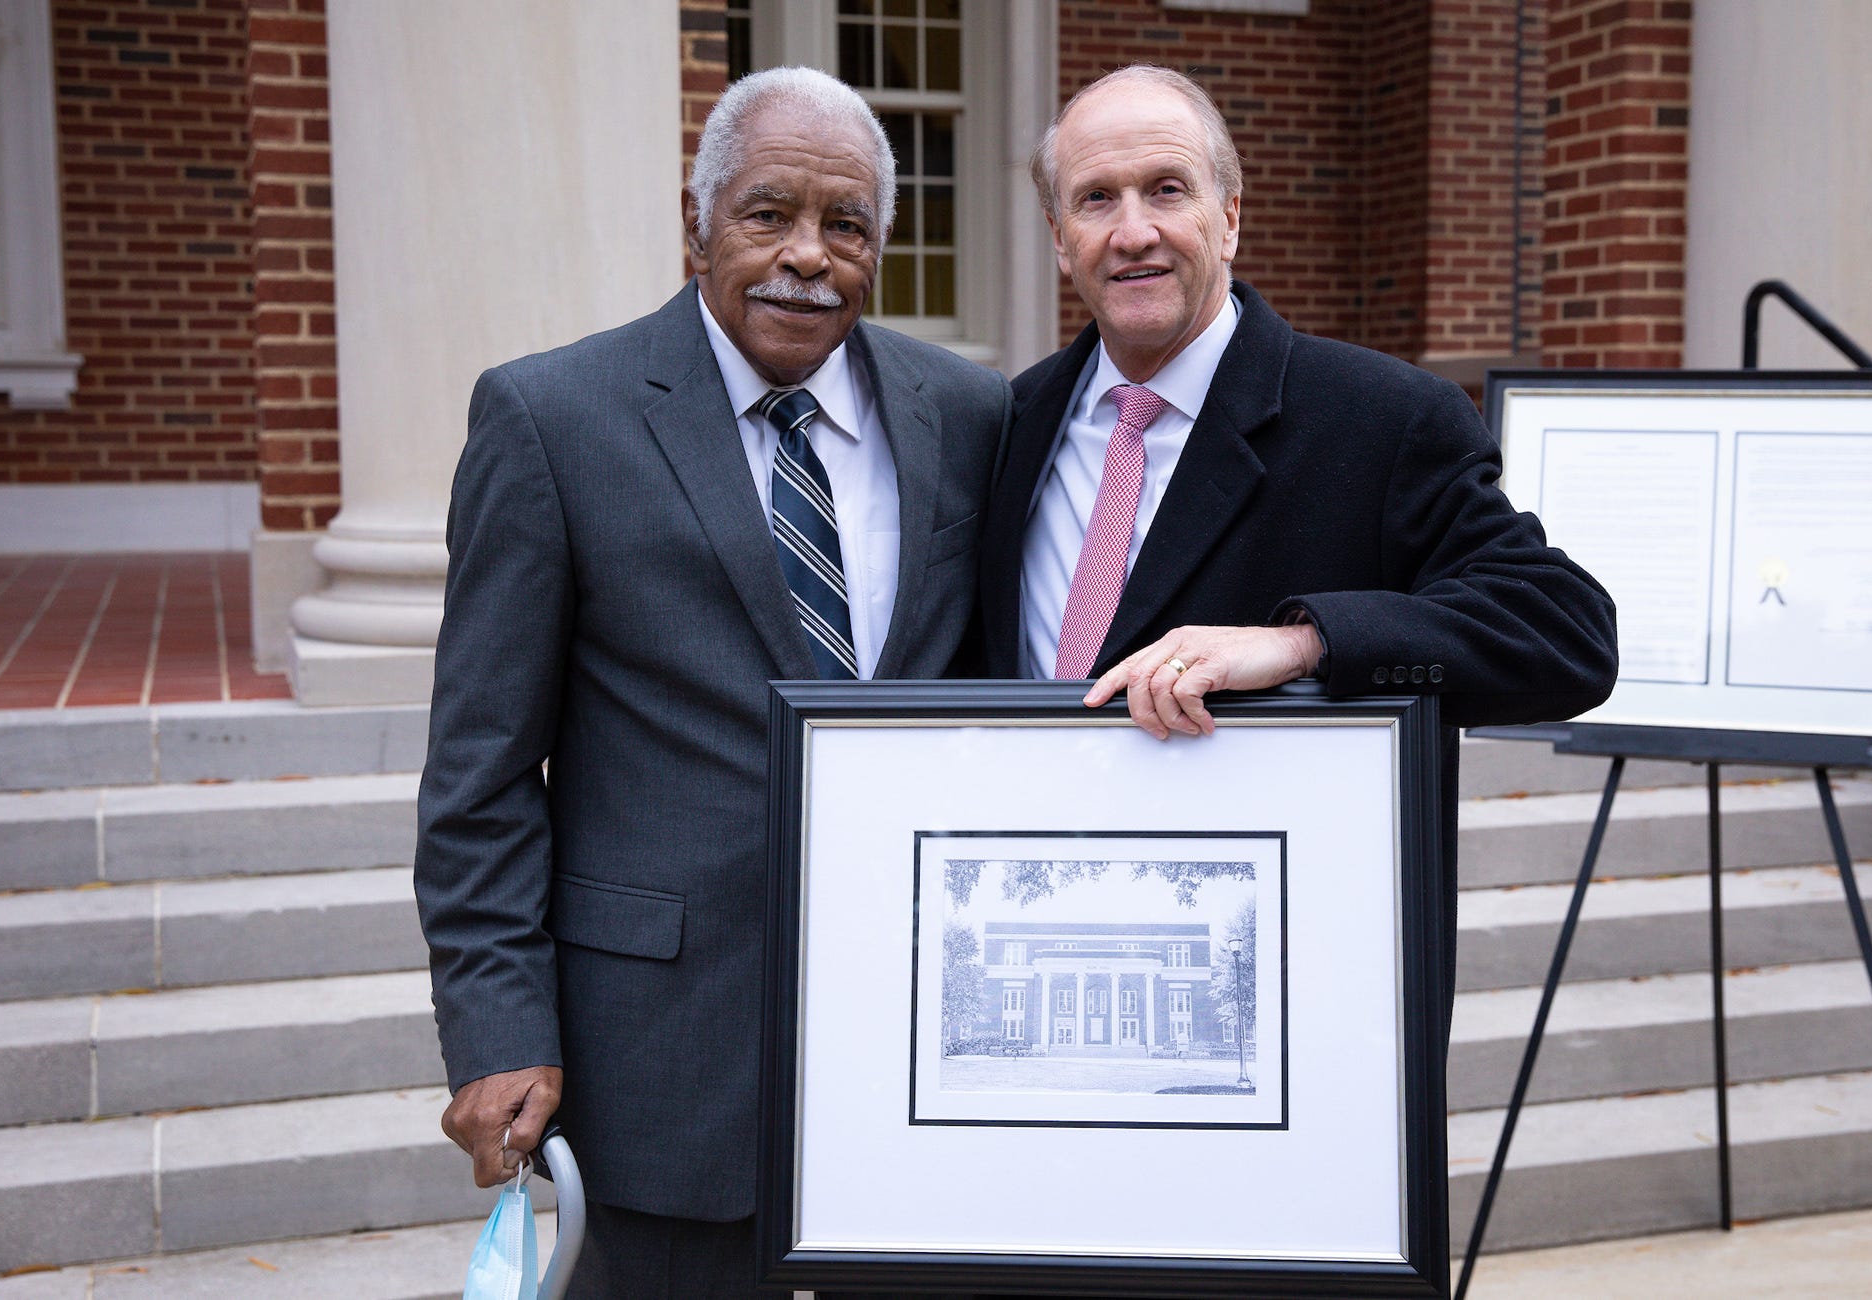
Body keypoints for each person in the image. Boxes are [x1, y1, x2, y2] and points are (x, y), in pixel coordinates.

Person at [414, 67, 1009, 1298]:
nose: (808, 256)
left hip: (915, 1054)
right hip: (661, 1061)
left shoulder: (968, 412)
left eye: (845, 225)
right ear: (696, 225)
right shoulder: (550, 417)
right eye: (767, 213)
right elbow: (480, 772)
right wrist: (498, 1023)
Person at [976, 65, 1619, 1012]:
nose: (1133, 231)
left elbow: (1567, 632)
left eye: (1167, 189)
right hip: (1028, 951)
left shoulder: (1384, 420)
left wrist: (1302, 642)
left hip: (1290, 993)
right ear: (1061, 242)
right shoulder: (1000, 426)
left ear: (1229, 216)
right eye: (1095, 200)